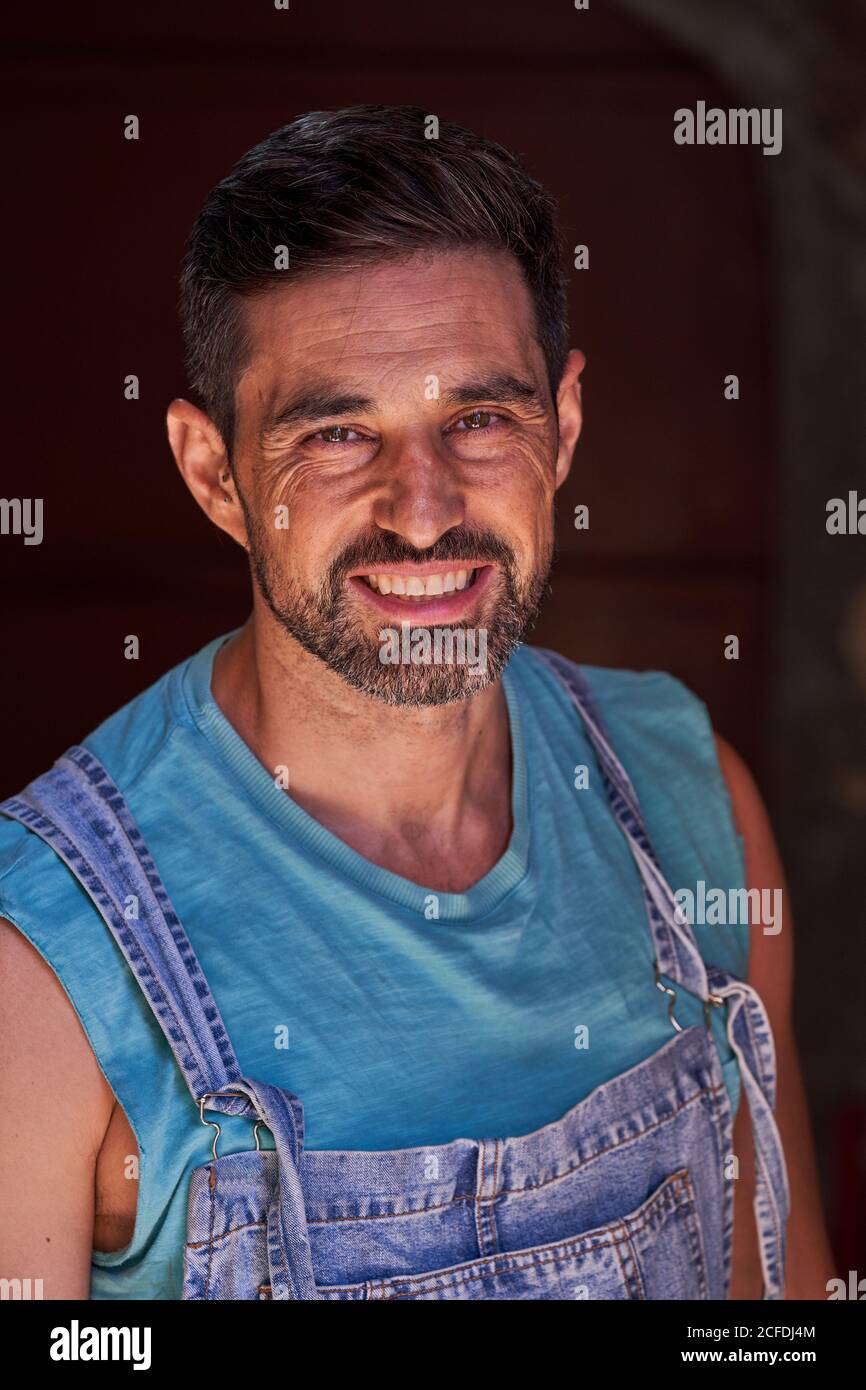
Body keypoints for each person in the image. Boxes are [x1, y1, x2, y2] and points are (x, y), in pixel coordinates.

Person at [0, 104, 834, 1301]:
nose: (427, 506)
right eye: (338, 433)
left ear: (565, 429)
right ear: (213, 474)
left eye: (480, 418)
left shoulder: (686, 802)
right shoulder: (43, 958)